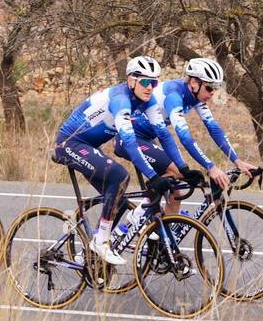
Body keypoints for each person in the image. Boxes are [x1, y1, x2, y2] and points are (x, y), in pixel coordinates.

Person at [53, 56, 191, 265]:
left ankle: (89, 256)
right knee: (119, 176)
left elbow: (163, 135)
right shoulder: (121, 100)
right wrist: (153, 177)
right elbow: (129, 141)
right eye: (145, 82)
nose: (150, 87)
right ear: (131, 81)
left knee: (116, 196)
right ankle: (101, 242)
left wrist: (183, 167)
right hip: (70, 144)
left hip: (89, 146)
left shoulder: (147, 100)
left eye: (154, 83)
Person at [154, 58, 258, 190]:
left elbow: (214, 128)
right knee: (175, 174)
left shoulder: (195, 95)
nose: (212, 93)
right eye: (209, 87)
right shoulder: (174, 95)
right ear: (193, 82)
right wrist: (211, 167)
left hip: (152, 136)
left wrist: (237, 161)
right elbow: (185, 137)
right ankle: (141, 210)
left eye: (215, 88)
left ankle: (156, 209)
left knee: (175, 193)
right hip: (135, 137)